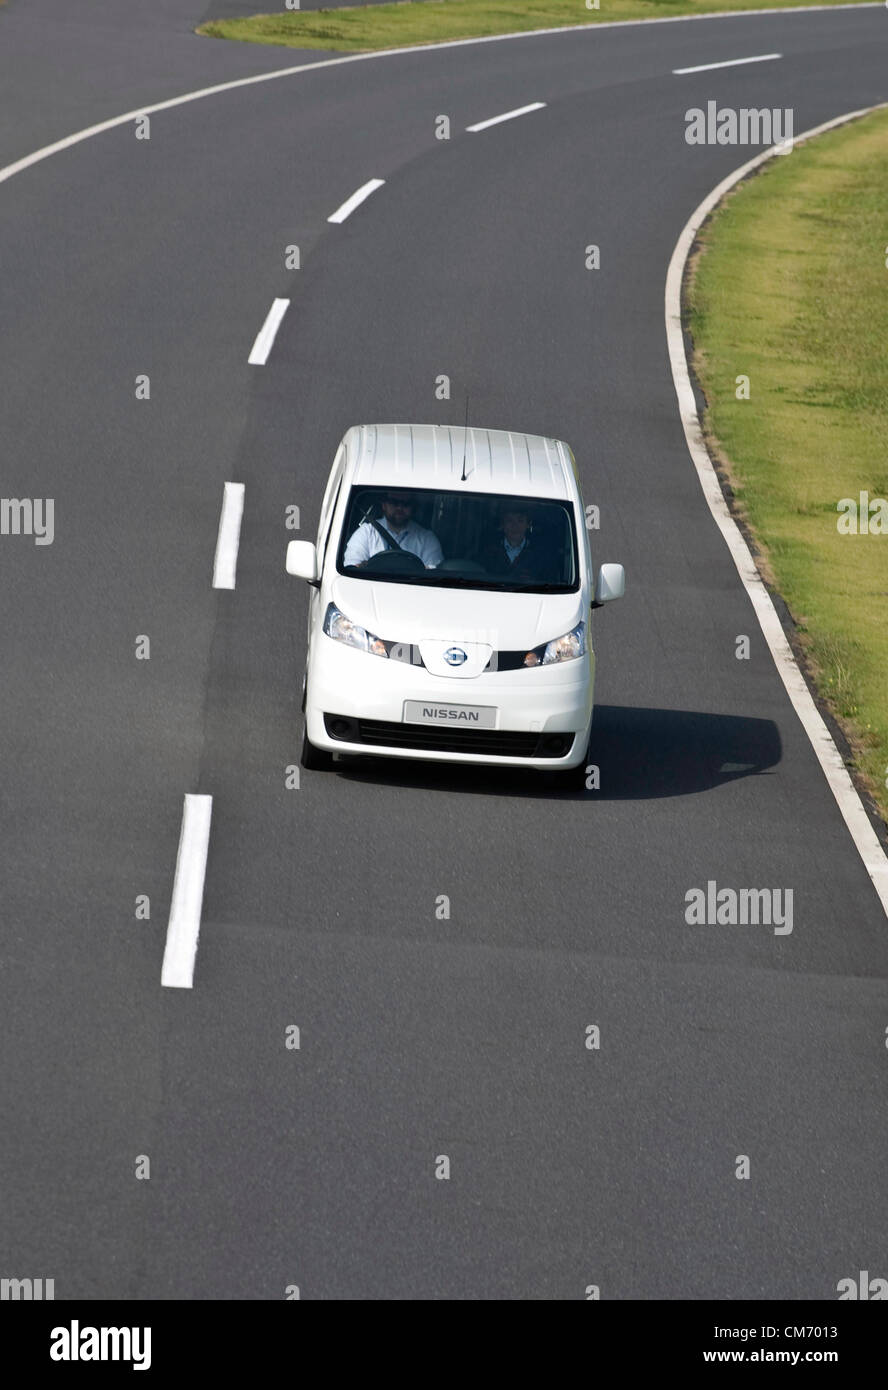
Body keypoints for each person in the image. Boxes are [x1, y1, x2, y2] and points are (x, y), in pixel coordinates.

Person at [343, 491, 443, 568]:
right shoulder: (366, 532)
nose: (399, 508)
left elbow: (433, 573)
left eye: (406, 503)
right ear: (384, 505)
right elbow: (352, 566)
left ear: (413, 507)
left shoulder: (427, 538)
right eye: (394, 502)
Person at [480, 505, 551, 580]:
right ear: (502, 525)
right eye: (509, 520)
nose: (515, 526)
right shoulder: (487, 553)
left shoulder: (540, 555)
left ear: (528, 524)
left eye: (520, 520)